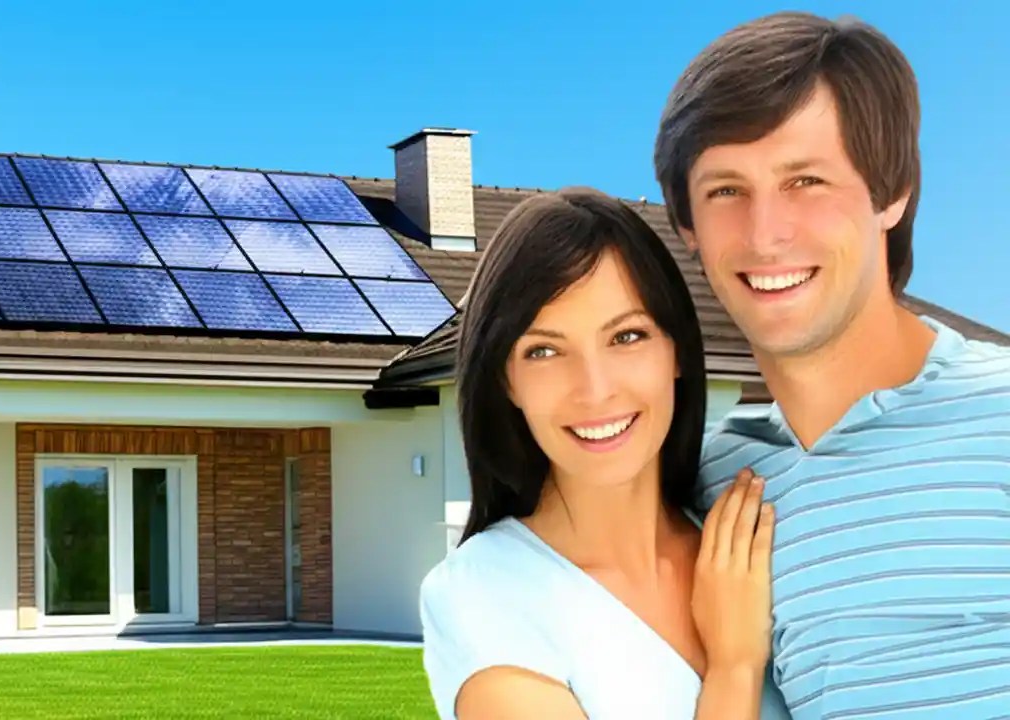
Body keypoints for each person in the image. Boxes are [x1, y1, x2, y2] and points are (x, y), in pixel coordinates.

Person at [654, 11, 1010, 719]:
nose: (765, 233)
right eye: (726, 190)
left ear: (892, 193)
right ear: (687, 226)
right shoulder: (708, 489)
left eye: (806, 181)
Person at [418, 187, 793, 719]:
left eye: (627, 337)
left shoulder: (751, 536)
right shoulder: (484, 595)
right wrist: (734, 666)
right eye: (544, 350)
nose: (595, 390)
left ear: (677, 351)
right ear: (506, 380)